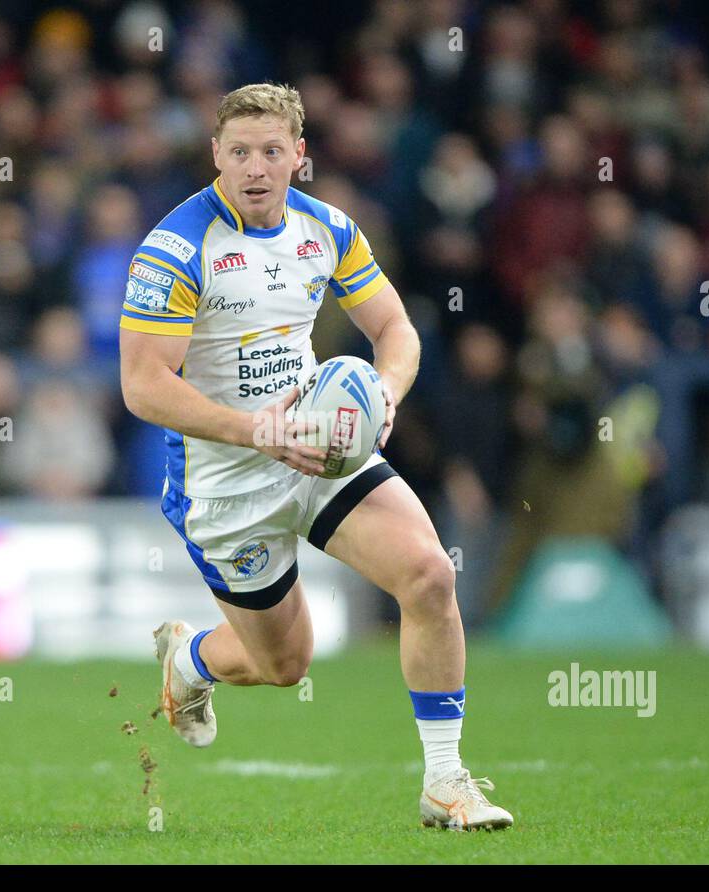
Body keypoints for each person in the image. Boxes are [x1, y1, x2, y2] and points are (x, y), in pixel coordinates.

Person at [118, 83, 512, 830]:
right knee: (283, 665)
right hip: (227, 479)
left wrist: (386, 395)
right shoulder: (176, 248)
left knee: (429, 573)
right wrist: (253, 431)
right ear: (216, 156)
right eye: (239, 152)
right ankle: (191, 658)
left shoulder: (327, 229)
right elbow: (142, 386)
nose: (255, 167)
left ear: (300, 156)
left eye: (271, 151)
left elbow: (396, 327)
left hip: (321, 444)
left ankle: (445, 781)